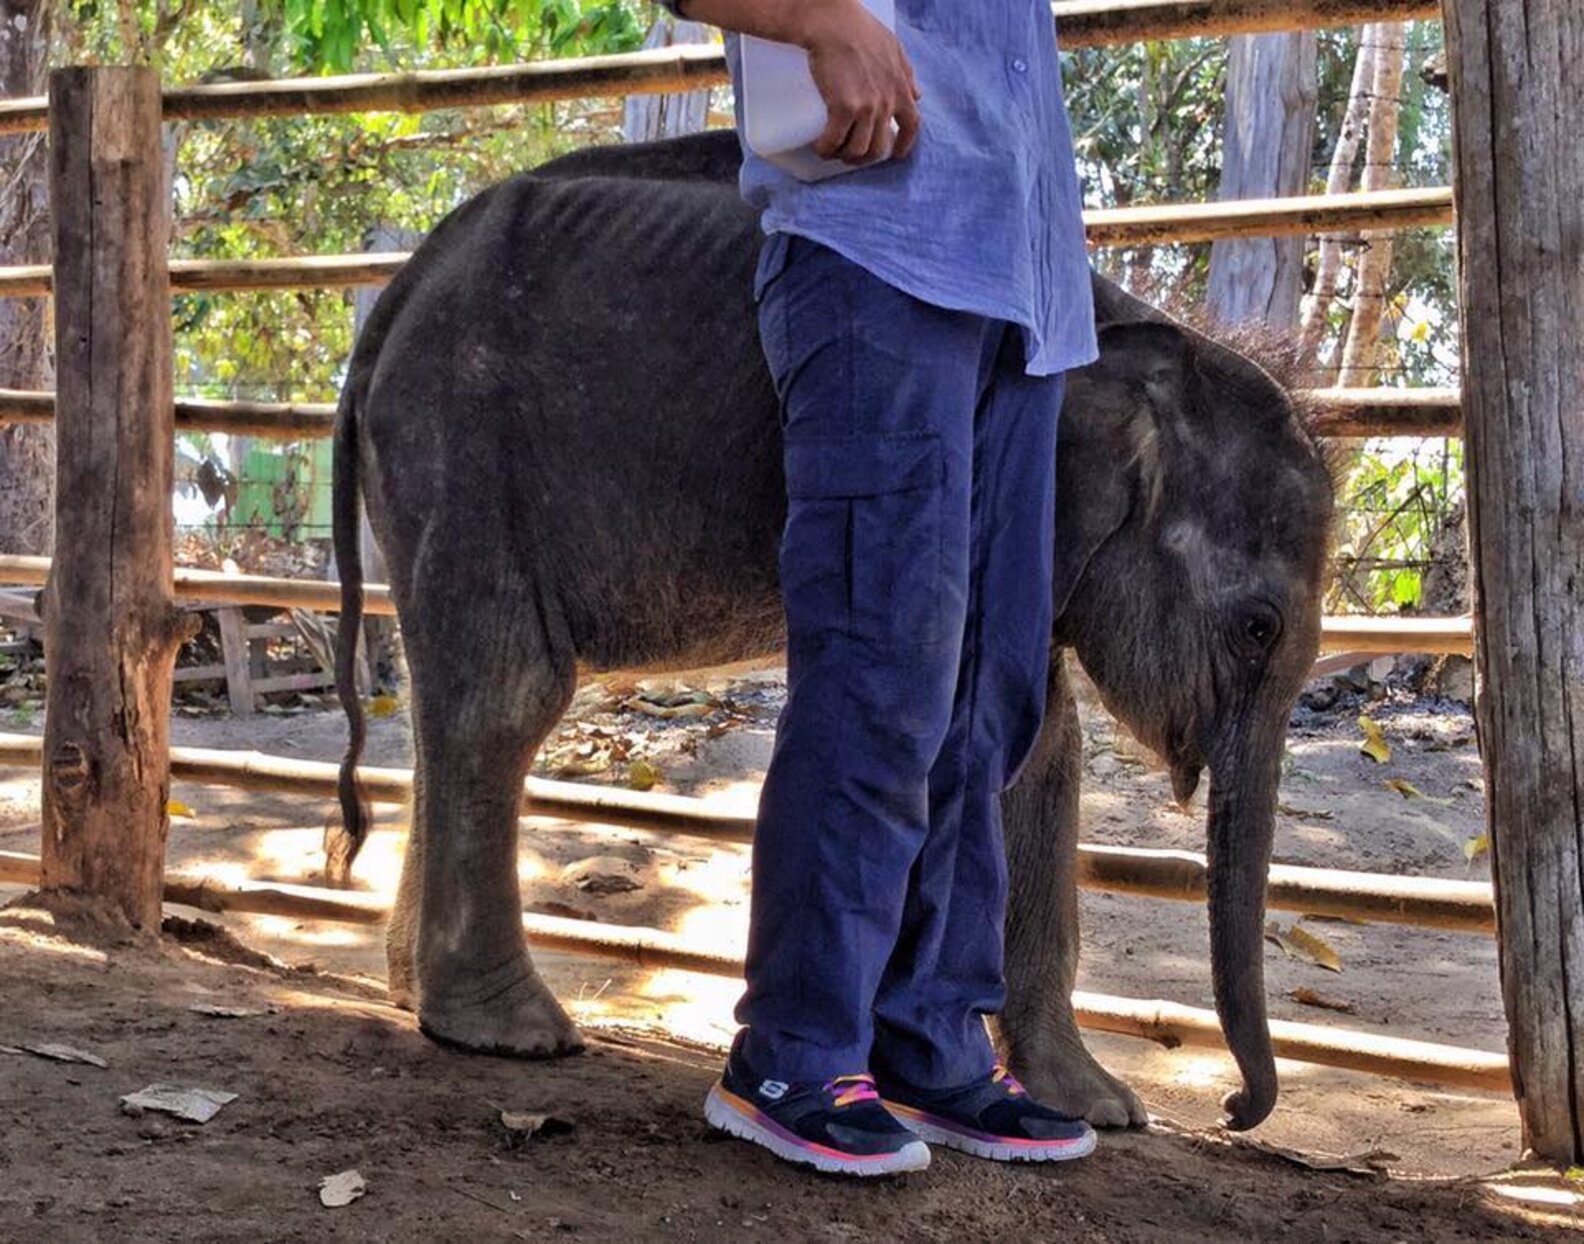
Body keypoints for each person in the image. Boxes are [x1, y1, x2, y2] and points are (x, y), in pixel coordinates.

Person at [662, 0, 1099, 1176]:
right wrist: (815, 18)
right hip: (877, 250)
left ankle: (929, 1037)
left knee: (987, 686)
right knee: (880, 664)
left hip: (1025, 287)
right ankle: (793, 1050)